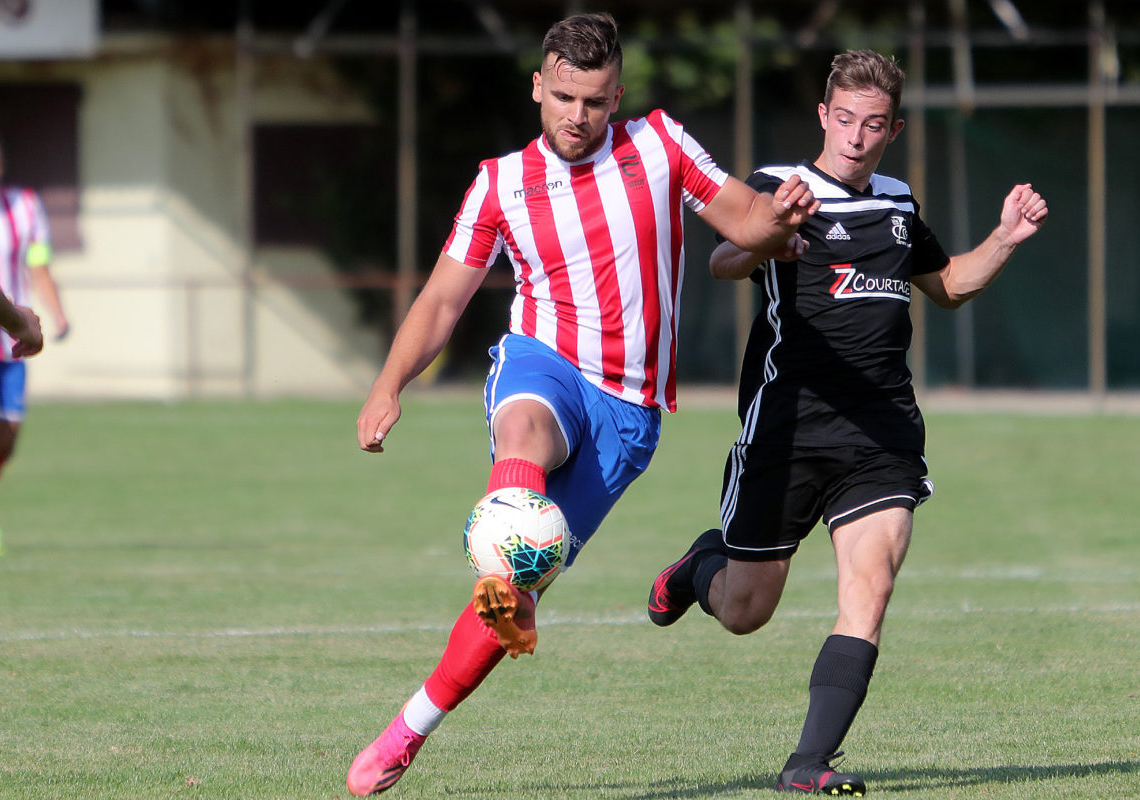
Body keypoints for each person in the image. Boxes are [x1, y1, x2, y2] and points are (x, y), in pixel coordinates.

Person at [345, 13, 818, 796]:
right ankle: (513, 578)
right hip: (544, 361)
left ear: (617, 97)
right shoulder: (501, 182)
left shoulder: (660, 145)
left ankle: (410, 728)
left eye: (595, 102)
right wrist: (387, 385)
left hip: (628, 415)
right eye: (563, 96)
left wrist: (782, 219)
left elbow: (745, 221)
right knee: (523, 430)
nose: (577, 115)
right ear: (539, 87)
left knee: (511, 589)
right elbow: (440, 301)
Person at [646, 50, 1048, 795]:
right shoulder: (779, 187)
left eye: (873, 125)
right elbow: (724, 261)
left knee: (871, 587)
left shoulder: (898, 204)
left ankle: (806, 765)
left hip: (882, 431)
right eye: (845, 121)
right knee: (745, 612)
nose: (857, 137)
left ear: (891, 129)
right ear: (824, 117)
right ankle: (701, 566)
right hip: (789, 427)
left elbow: (951, 285)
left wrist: (1004, 239)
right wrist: (774, 237)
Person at [0, 130, 68, 556]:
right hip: (12, 324)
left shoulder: (24, 205)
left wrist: (55, 313)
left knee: (8, 437)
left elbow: (38, 265)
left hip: (11, 342)